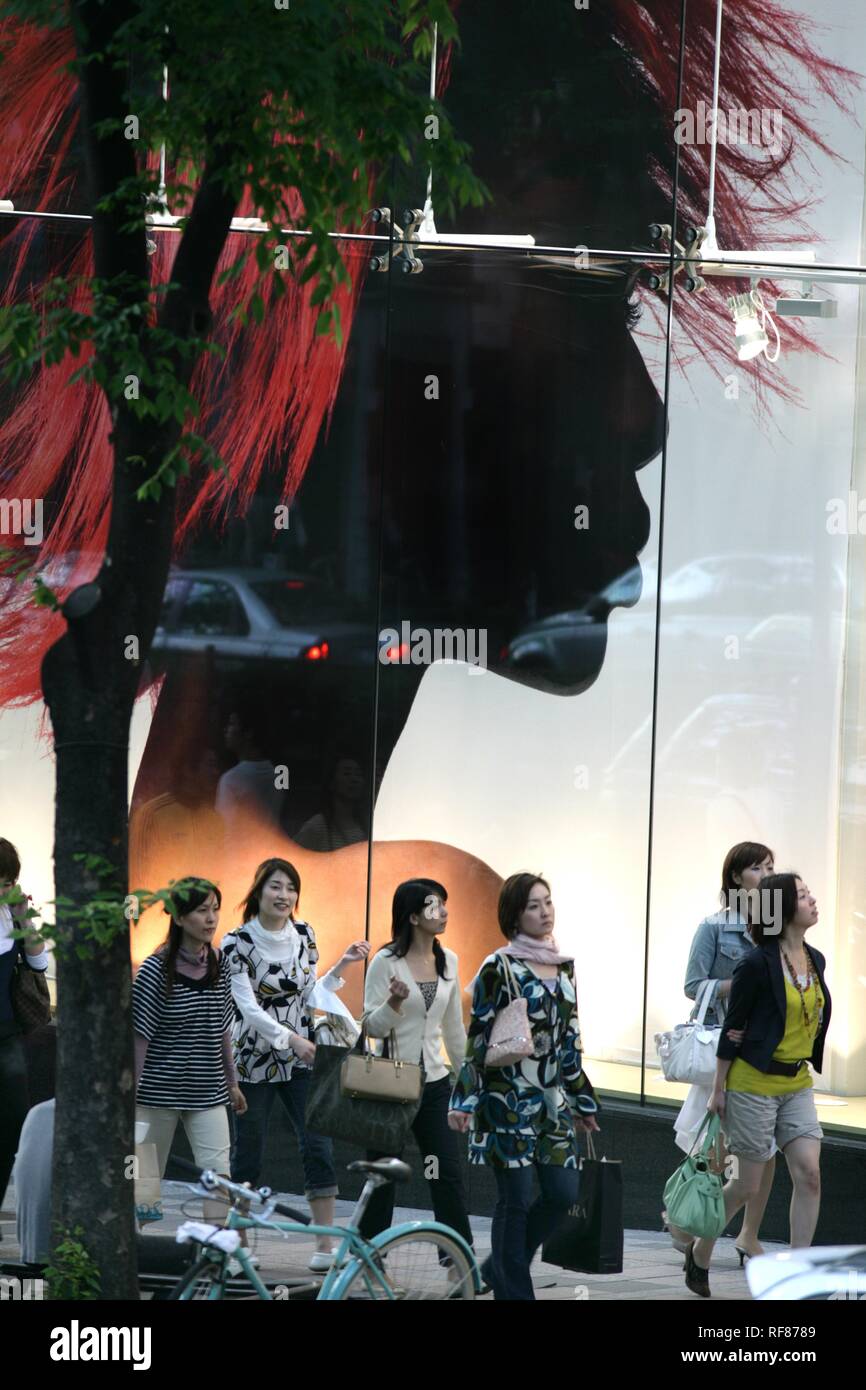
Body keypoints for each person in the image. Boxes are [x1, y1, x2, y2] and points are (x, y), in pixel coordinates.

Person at [448, 873, 600, 1301]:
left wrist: (583, 1099)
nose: (544, 911)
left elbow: (571, 1037)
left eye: (548, 902)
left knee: (561, 1192)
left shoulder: (564, 965)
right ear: (515, 914)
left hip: (552, 1103)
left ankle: (500, 1265)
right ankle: (515, 1290)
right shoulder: (499, 966)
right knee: (513, 1201)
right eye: (534, 905)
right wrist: (464, 1099)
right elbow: (478, 1037)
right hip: (507, 1099)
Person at [684, 872, 831, 1298]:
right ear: (783, 910)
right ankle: (701, 1248)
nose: (813, 900)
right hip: (752, 1084)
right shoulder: (754, 964)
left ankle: (799, 1273)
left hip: (796, 1081)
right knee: (746, 1185)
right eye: (803, 896)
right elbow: (734, 1028)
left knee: (810, 1174)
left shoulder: (815, 959)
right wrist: (718, 1089)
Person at [221, 857, 368, 1271]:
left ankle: (324, 1247)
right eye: (275, 887)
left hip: (303, 1061)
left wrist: (342, 964)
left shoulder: (305, 934)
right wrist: (291, 1040)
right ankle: (239, 1243)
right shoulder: (236, 942)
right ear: (258, 891)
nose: (284, 895)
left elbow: (309, 992)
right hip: (254, 1062)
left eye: (290, 888)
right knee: (248, 1152)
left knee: (317, 1144)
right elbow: (247, 1008)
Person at [670, 842, 777, 1263]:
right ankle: (680, 1218)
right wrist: (743, 984)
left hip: (768, 1049)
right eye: (757, 868)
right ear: (736, 877)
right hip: (726, 1046)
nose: (766, 874)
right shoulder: (714, 927)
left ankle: (748, 1235)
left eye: (771, 866)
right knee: (716, 1148)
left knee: (767, 1150)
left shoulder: (776, 924)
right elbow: (693, 986)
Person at [358, 878, 473, 1255]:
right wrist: (392, 1003)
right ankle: (371, 1258)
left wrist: (467, 1084)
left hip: (435, 1086)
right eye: (432, 906)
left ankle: (458, 1259)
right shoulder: (385, 962)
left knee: (442, 1172)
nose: (442, 913)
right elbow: (370, 1027)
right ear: (411, 916)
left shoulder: (449, 961)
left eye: (443, 904)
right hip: (392, 1086)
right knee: (384, 1176)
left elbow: (454, 1030)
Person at [132, 878, 246, 1225]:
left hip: (208, 1089)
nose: (211, 919)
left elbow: (221, 1027)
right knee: (144, 1182)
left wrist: (232, 1082)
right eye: (201, 910)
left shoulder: (219, 963)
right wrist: (129, 1095)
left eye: (215, 909)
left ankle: (217, 1254)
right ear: (179, 918)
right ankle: (135, 1257)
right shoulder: (154, 969)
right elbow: (139, 1037)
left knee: (219, 1176)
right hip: (155, 1092)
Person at [0, 837, 48, 1227]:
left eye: (6, 881)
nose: (2, 889)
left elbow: (39, 960)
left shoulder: (10, 917)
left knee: (14, 1120)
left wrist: (22, 914)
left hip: (6, 1034)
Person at [216, 698, 284, 837]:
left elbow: (224, 831)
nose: (226, 730)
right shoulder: (279, 774)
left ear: (248, 733)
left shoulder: (231, 780)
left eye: (232, 724)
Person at [294, 755, 368, 852]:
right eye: (347, 773)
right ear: (332, 783)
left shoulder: (367, 825)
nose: (354, 779)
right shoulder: (318, 825)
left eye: (358, 774)